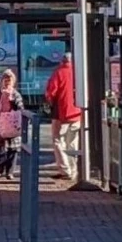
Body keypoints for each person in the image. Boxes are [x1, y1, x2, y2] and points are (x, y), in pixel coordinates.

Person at [44, 52, 81, 181]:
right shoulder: (79, 71)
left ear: (62, 61)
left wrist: (48, 102)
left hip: (61, 113)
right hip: (78, 113)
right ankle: (74, 170)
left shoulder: (59, 72)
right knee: (72, 143)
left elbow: (51, 93)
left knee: (58, 140)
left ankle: (65, 170)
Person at [0, 69, 24, 179]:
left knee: (12, 150)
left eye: (9, 80)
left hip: (13, 125)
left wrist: (12, 101)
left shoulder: (16, 95)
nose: (7, 82)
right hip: (0, 125)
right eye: (5, 80)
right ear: (2, 81)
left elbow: (20, 108)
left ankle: (10, 172)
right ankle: (0, 168)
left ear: (13, 82)